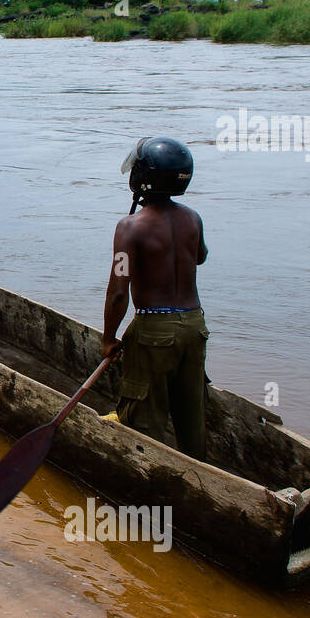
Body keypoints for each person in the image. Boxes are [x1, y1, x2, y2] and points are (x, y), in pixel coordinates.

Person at [101, 137, 209, 460]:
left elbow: (119, 292)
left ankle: (144, 483)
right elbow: (200, 256)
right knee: (192, 417)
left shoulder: (129, 228)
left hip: (153, 332)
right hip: (194, 326)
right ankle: (199, 472)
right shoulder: (193, 219)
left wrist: (108, 338)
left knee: (143, 420)